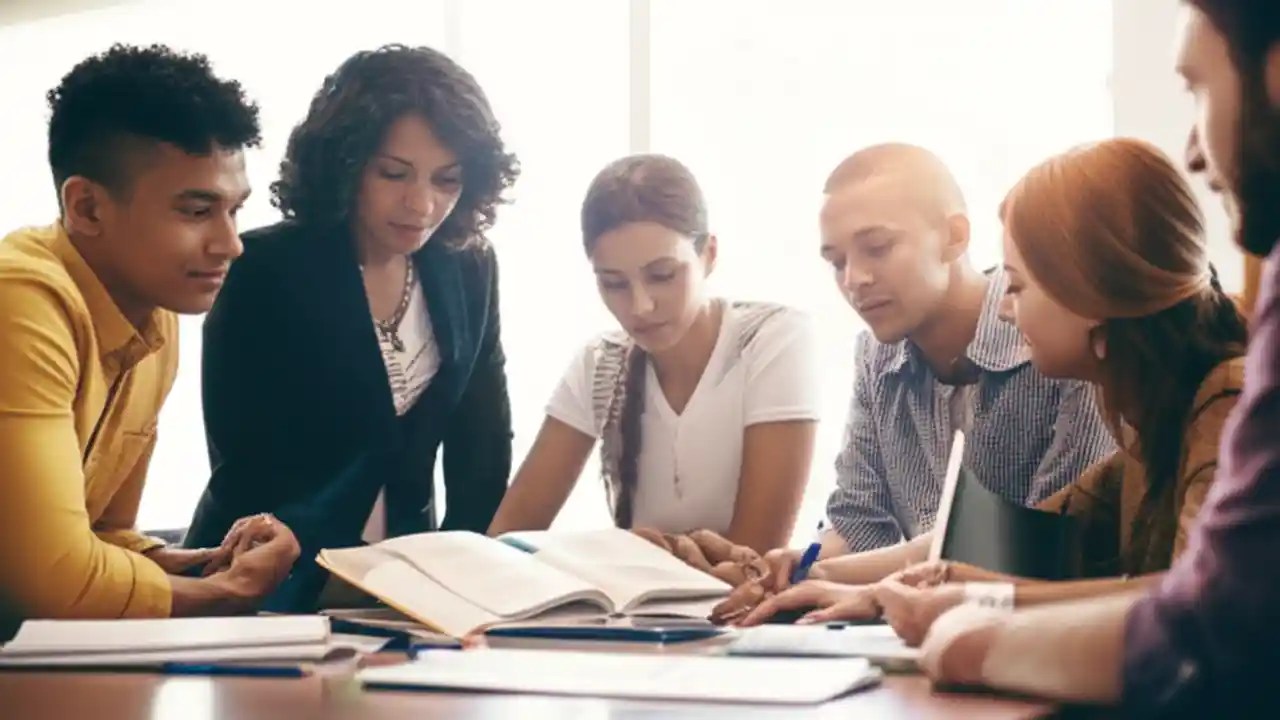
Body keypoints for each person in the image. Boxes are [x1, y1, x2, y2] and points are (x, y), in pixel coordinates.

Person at [917, 3, 1280, 715]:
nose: (1197, 152)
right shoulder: (1147, 431)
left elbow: (1210, 614)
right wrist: (877, 583)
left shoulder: (1222, 397)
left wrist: (976, 632)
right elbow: (1034, 531)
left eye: (1197, 88)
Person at [743, 139, 1247, 642]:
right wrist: (858, 586)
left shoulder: (1227, 404)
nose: (1006, 308)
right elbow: (1007, 535)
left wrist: (969, 602)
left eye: (1018, 286)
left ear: (1091, 293)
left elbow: (1194, 603)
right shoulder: (1146, 433)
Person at [184, 44, 519, 611]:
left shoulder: (468, 265)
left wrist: (465, 571)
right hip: (267, 577)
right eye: (395, 173)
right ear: (346, 162)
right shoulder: (261, 268)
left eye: (448, 180)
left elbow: (481, 443)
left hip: (410, 580)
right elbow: (245, 460)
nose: (423, 204)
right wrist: (310, 571)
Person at [0, 44, 299, 637]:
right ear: (86, 206)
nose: (230, 244)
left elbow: (99, 537)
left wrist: (210, 563)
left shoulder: (154, 315)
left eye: (234, 211)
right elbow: (52, 582)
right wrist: (225, 591)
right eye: (196, 211)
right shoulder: (20, 300)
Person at [744, 143, 1113, 584]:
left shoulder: (1058, 333)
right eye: (836, 261)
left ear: (955, 236)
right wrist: (794, 564)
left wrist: (827, 576)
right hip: (922, 620)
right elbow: (861, 522)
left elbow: (1039, 537)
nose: (853, 279)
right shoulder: (875, 355)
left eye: (877, 248)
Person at [487, 154, 821, 552]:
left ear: (709, 255)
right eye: (614, 284)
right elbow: (505, 541)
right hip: (639, 607)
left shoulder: (771, 340)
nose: (640, 306)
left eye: (662, 276)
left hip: (739, 611)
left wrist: (626, 555)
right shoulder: (601, 363)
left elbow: (753, 554)